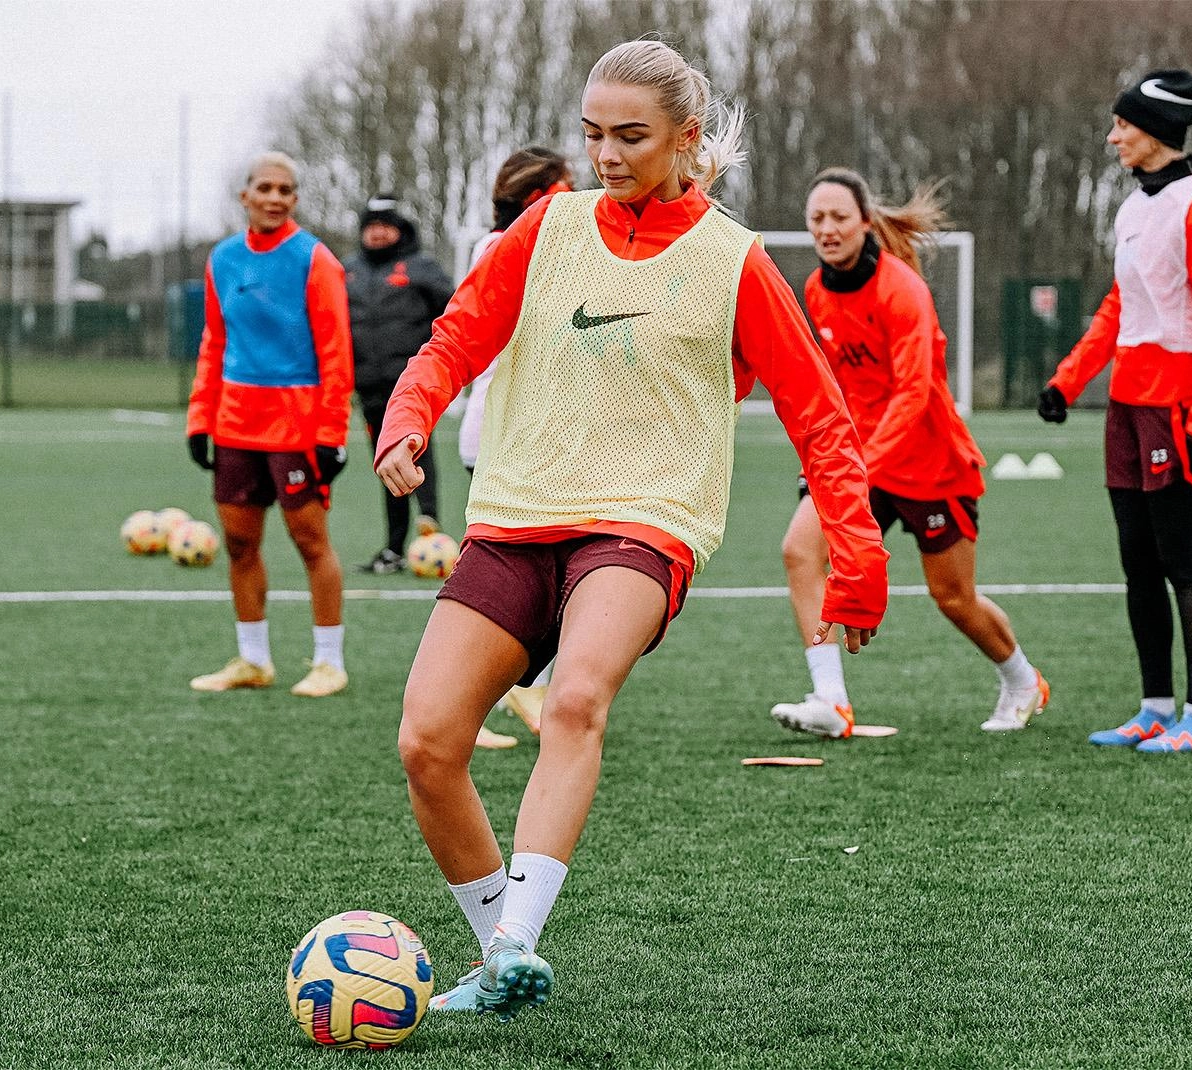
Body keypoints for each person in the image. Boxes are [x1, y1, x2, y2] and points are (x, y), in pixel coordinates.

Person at [374, 40, 888, 1021]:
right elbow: (454, 338)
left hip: (644, 526)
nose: (606, 154)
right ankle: (497, 957)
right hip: (517, 516)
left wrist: (857, 563)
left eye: (630, 135)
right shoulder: (546, 227)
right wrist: (407, 419)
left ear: (686, 139)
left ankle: (519, 935)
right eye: (592, 133)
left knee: (575, 699)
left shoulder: (734, 262)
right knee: (427, 742)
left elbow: (821, 417)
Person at [771, 169, 1048, 736]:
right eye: (817, 219)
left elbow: (915, 393)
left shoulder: (902, 290)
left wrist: (861, 465)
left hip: (931, 462)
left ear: (865, 222)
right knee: (801, 552)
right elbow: (836, 388)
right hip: (862, 461)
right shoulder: (817, 291)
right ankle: (831, 701)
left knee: (953, 599)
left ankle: (1023, 681)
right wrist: (826, 461)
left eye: (839, 217)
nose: (827, 229)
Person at [1038, 69, 1192, 753]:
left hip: (1179, 408)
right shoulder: (1133, 208)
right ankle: (1156, 706)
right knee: (1137, 559)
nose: (1111, 136)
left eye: (1121, 125)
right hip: (1127, 405)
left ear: (1154, 131)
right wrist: (1069, 381)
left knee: (1185, 559)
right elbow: (1122, 309)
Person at [185, 151, 354, 698]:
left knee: (310, 544)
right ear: (246, 196)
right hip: (235, 424)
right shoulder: (224, 259)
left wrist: (331, 435)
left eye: (286, 190)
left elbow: (336, 353)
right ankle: (252, 660)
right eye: (265, 188)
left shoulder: (316, 260)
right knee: (238, 544)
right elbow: (214, 341)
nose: (276, 198)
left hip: (297, 427)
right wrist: (199, 418)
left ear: (295, 199)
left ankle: (329, 661)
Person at [457, 146, 574, 740]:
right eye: (563, 188)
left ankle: (526, 691)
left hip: (531, 435)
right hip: (507, 435)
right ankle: (476, 697)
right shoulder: (505, 249)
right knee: (497, 584)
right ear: (535, 199)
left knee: (549, 575)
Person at [345, 196, 455, 574]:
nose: (377, 231)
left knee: (418, 452)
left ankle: (432, 530)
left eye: (385, 224)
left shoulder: (421, 267)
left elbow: (456, 313)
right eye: (370, 225)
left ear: (399, 229)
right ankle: (393, 548)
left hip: (413, 385)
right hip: (370, 388)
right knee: (385, 463)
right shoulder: (349, 272)